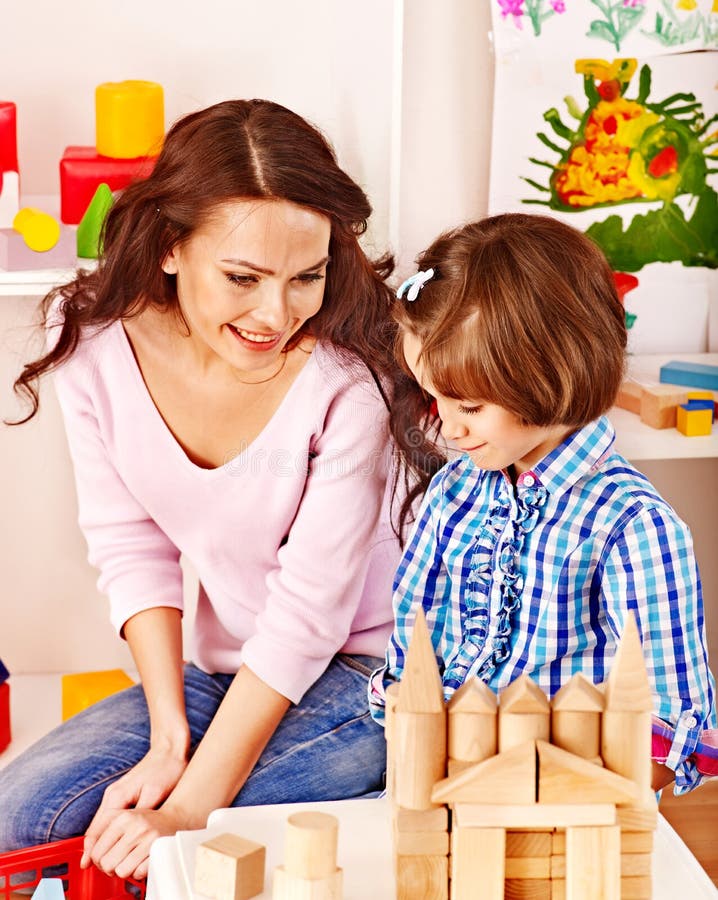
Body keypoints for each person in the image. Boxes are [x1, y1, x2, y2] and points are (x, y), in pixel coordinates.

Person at [0, 99, 410, 880]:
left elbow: (309, 612)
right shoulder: (92, 347)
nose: (276, 313)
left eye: (306, 278)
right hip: (230, 668)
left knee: (170, 839)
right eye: (242, 277)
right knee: (21, 820)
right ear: (168, 248)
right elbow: (131, 547)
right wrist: (166, 735)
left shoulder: (348, 384)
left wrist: (188, 809)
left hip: (377, 674)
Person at [369, 212, 717, 795]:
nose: (447, 428)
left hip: (568, 816)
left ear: (550, 373)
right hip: (440, 792)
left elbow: (669, 725)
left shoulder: (632, 527)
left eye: (469, 407)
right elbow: (411, 655)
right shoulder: (453, 497)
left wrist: (544, 789)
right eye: (434, 399)